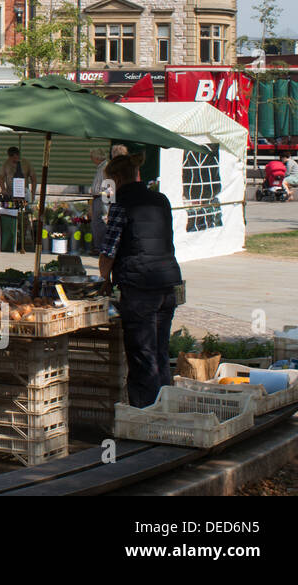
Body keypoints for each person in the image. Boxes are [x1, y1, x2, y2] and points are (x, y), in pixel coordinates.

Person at [99, 153, 183, 408]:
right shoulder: (161, 200)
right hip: (168, 280)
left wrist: (104, 278)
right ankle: (167, 408)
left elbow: (109, 250)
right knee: (159, 350)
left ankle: (146, 415)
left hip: (139, 286)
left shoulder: (121, 205)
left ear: (117, 178)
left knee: (142, 354)